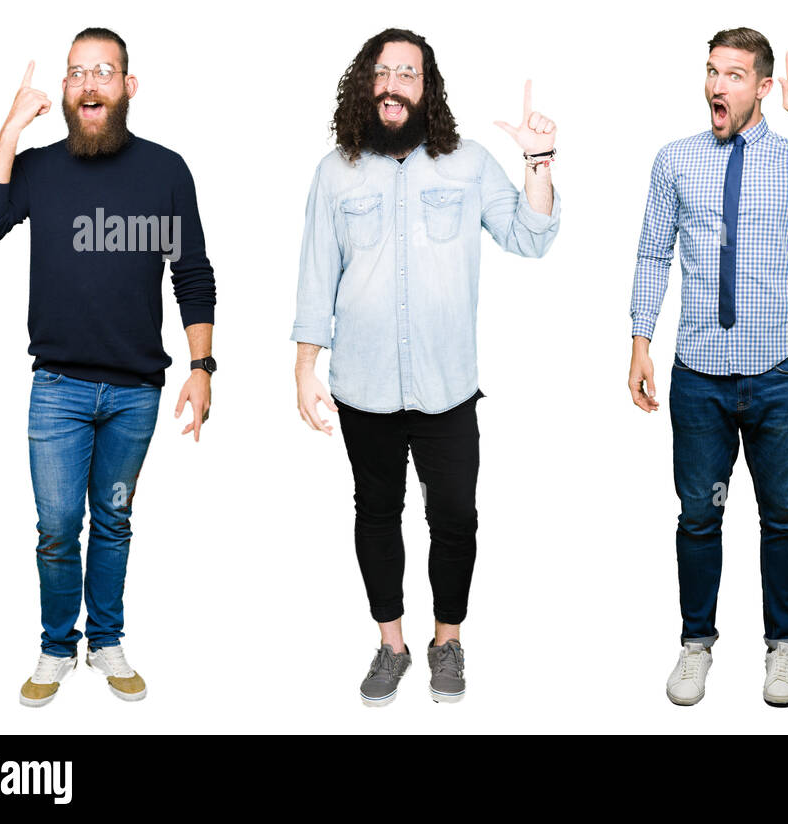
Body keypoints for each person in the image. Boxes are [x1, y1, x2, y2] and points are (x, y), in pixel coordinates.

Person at [292, 28, 560, 707]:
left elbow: (529, 239)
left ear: (426, 88)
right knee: (375, 515)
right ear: (365, 84)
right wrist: (304, 370)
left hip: (448, 390)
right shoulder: (335, 171)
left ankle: (447, 642)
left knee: (456, 519)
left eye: (407, 73)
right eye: (382, 72)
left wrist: (538, 161)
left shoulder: (467, 164)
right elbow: (316, 277)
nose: (393, 84)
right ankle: (392, 646)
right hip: (363, 387)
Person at [629, 27, 788, 707]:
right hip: (698, 380)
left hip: (777, 378)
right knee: (697, 517)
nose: (718, 86)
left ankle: (783, 649)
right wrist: (639, 340)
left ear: (764, 87)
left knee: (782, 515)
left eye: (735, 75)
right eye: (712, 72)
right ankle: (695, 646)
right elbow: (653, 254)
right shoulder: (675, 160)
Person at [0, 27, 217, 707]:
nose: (90, 82)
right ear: (68, 90)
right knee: (54, 528)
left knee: (113, 520)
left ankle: (104, 641)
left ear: (128, 87)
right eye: (77, 72)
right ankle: (54, 648)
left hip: (136, 394)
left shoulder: (165, 171)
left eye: (105, 70)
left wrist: (203, 366)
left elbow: (190, 273)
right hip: (59, 391)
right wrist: (12, 125)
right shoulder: (40, 169)